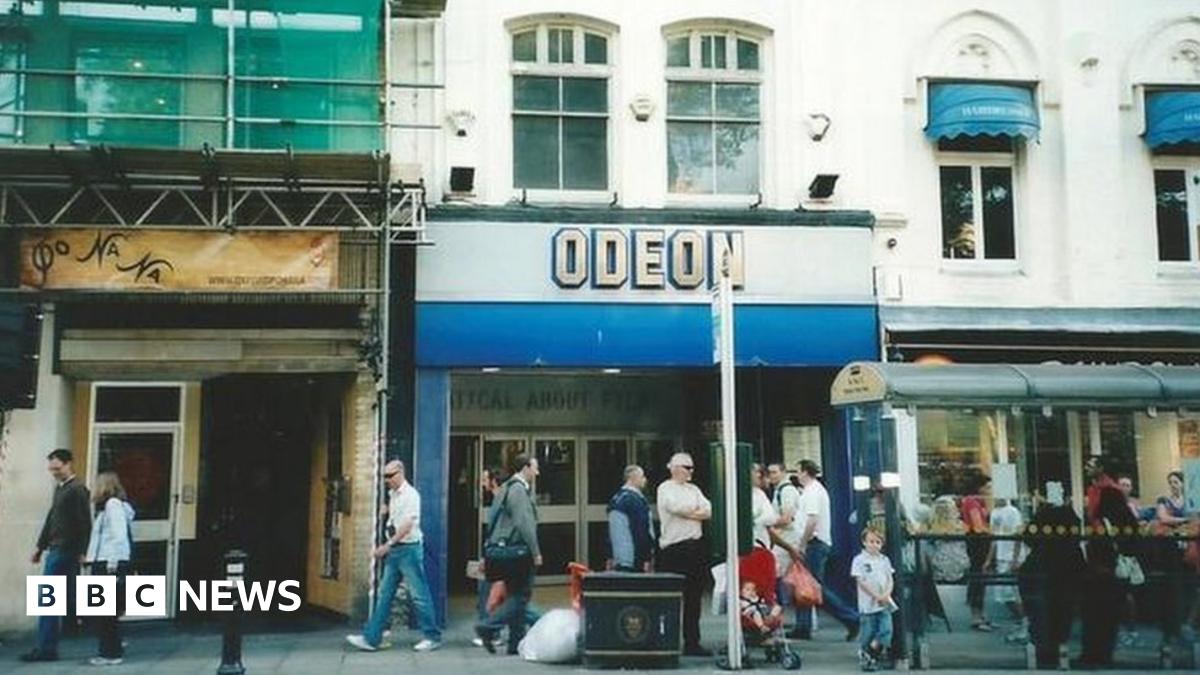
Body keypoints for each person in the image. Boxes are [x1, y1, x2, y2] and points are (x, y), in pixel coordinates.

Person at [347, 460, 442, 653]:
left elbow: (407, 525)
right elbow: (398, 518)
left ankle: (432, 636)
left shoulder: (411, 495)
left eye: (390, 476)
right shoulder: (393, 495)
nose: (387, 480)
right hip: (396, 551)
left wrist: (387, 545)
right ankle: (372, 638)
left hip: (409, 550)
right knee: (385, 594)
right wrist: (388, 511)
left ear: (400, 473)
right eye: (384, 476)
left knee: (419, 595)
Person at [22, 449, 91, 663]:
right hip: (57, 548)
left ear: (68, 464)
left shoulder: (77, 489)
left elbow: (84, 522)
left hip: (65, 549)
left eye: (57, 468)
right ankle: (105, 632)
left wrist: (83, 551)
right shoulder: (61, 488)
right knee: (64, 597)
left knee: (48, 599)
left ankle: (46, 648)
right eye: (51, 469)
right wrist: (40, 547)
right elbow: (51, 518)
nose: (54, 472)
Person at [476, 453, 542, 656]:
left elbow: (493, 520)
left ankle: (516, 643)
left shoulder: (505, 488)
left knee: (514, 595)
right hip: (518, 551)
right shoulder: (518, 490)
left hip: (504, 552)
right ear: (525, 468)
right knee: (521, 597)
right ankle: (488, 626)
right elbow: (524, 523)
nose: (537, 472)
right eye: (535, 468)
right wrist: (535, 551)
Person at [1078, 458, 1137, 668]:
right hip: (1099, 551)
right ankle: (1097, 652)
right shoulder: (1098, 489)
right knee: (1098, 605)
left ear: (1101, 469)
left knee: (1102, 605)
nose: (1087, 468)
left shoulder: (1110, 492)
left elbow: (1122, 521)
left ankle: (1099, 652)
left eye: (1091, 465)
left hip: (1105, 553)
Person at [793, 459, 859, 641]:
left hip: (814, 544)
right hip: (814, 543)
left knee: (814, 588)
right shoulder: (812, 490)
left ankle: (851, 617)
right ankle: (803, 626)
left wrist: (802, 543)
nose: (797, 475)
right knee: (805, 586)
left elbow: (812, 520)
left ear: (805, 472)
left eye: (798, 471)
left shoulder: (813, 492)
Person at [1018, 496, 1085, 668]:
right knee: (1063, 613)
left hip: (1041, 568)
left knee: (1040, 616)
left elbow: (1028, 537)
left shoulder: (1042, 516)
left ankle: (1044, 652)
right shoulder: (1070, 518)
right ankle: (1059, 648)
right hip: (1066, 571)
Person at [657, 452, 713, 656]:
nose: (691, 471)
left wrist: (691, 512)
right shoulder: (665, 488)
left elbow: (709, 509)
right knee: (670, 598)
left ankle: (692, 642)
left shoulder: (694, 489)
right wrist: (695, 512)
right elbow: (675, 507)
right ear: (674, 468)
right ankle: (667, 641)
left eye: (692, 468)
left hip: (695, 547)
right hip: (674, 548)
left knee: (694, 597)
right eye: (687, 467)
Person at [84, 471, 135, 667]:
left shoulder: (112, 506)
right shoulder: (109, 507)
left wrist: (112, 563)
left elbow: (118, 535)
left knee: (105, 612)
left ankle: (110, 653)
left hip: (108, 563)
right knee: (107, 612)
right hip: (105, 561)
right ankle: (112, 648)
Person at [851, 529, 897, 672]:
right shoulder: (859, 560)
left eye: (878, 542)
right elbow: (861, 581)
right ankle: (866, 653)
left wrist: (886, 594)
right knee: (868, 630)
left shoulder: (884, 560)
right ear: (864, 542)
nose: (874, 545)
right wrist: (875, 595)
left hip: (884, 602)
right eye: (871, 541)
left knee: (886, 629)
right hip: (868, 604)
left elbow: (890, 579)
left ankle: (871, 651)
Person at [766, 463, 805, 626]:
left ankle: (776, 617)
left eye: (774, 472)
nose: (771, 475)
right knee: (790, 580)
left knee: (776, 578)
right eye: (769, 472)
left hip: (787, 540)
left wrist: (767, 523)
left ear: (783, 472)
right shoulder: (780, 490)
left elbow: (787, 518)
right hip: (784, 540)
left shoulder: (786, 490)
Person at [987, 497, 1027, 643]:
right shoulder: (994, 512)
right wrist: (989, 559)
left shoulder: (1013, 512)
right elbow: (994, 538)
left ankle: (1025, 625)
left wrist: (1016, 560)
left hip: (1011, 558)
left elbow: (1018, 536)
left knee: (1013, 594)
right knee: (1004, 595)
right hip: (1001, 557)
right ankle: (1022, 623)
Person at [960, 474, 993, 632]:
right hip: (978, 543)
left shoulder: (976, 501)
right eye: (987, 487)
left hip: (977, 542)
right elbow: (978, 526)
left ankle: (980, 614)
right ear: (979, 487)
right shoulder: (972, 502)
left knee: (979, 578)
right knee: (978, 577)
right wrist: (991, 531)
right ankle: (976, 616)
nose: (989, 490)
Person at [608, 465, 654, 573]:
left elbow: (610, 531)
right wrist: (646, 557)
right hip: (634, 559)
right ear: (633, 478)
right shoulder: (635, 500)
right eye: (642, 476)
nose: (645, 480)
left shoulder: (616, 499)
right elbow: (641, 530)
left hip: (619, 558)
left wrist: (609, 555)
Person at [750, 463, 779, 548]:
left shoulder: (759, 493)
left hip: (762, 543)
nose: (759, 475)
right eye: (755, 472)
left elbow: (771, 518)